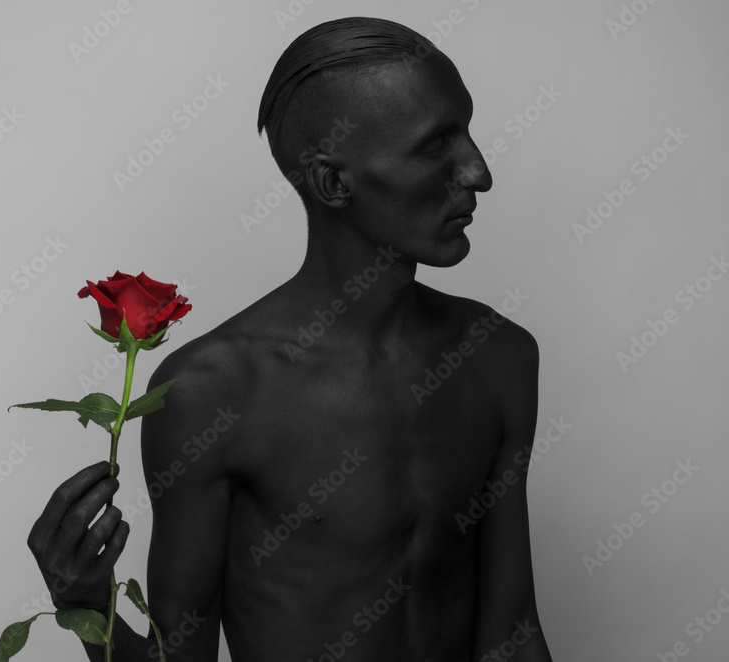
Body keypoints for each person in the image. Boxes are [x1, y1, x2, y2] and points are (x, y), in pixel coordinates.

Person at [28, 16, 554, 661]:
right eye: (435, 145)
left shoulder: (499, 357)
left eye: (467, 132)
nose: (478, 171)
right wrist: (86, 604)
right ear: (335, 182)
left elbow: (514, 638)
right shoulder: (213, 393)